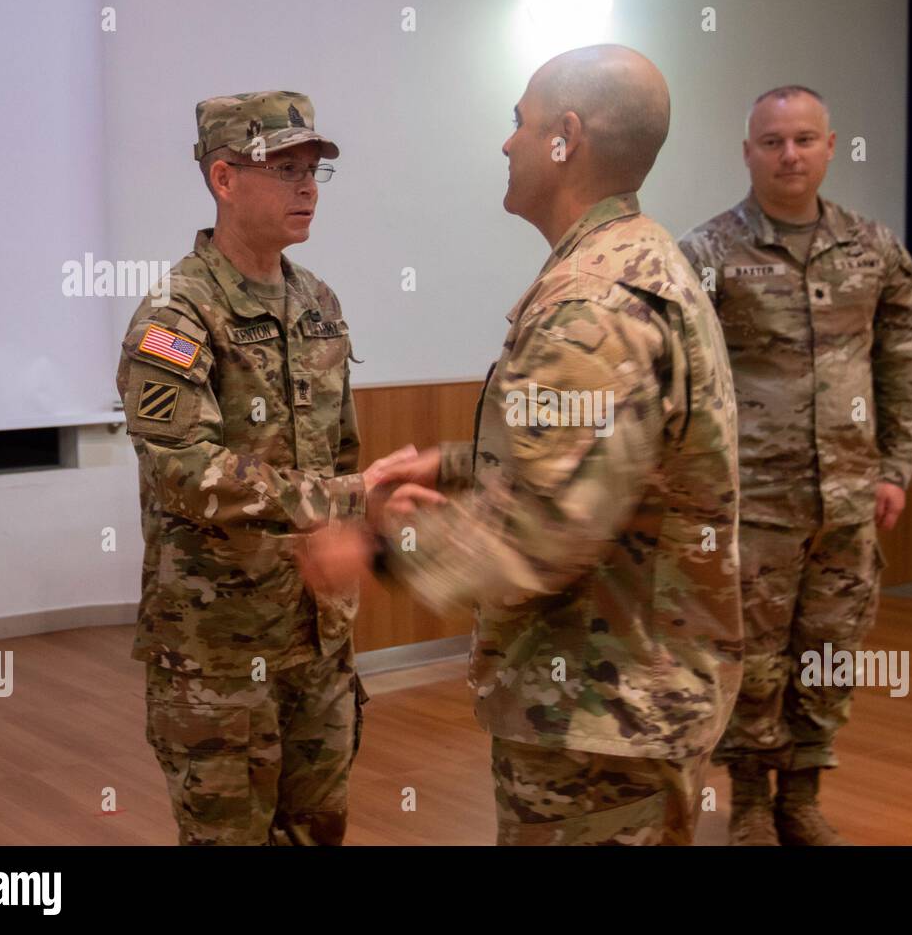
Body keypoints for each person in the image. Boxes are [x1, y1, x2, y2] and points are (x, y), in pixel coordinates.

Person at [301, 46, 742, 846]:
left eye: (520, 123)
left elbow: (544, 532)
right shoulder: (638, 259)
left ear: (565, 137)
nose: (508, 144)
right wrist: (454, 465)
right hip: (636, 698)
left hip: (597, 714)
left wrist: (375, 546)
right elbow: (616, 459)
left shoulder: (590, 302)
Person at [116, 90, 415, 845]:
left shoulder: (317, 302)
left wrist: (357, 521)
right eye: (284, 168)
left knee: (316, 832)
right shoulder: (175, 316)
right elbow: (188, 473)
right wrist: (348, 498)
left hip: (317, 640)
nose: (308, 187)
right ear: (223, 178)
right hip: (218, 653)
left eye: (313, 169)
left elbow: (340, 446)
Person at [677, 85, 912, 845]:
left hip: (847, 498)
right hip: (750, 497)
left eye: (805, 139)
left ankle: (804, 795)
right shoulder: (708, 253)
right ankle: (751, 799)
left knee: (830, 647)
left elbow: (902, 360)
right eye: (773, 140)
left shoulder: (874, 248)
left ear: (830, 146)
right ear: (747, 150)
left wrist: (895, 467)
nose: (790, 154)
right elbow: (684, 377)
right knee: (752, 656)